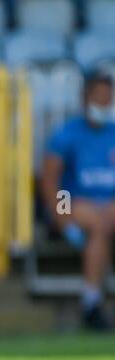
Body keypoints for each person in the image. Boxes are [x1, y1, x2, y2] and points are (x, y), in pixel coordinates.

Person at [41, 71, 115, 331]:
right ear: (85, 98)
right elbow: (52, 184)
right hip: (74, 202)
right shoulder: (65, 135)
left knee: (105, 219)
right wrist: (63, 219)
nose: (104, 104)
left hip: (109, 204)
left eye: (109, 98)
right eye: (100, 98)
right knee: (99, 224)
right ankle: (91, 302)